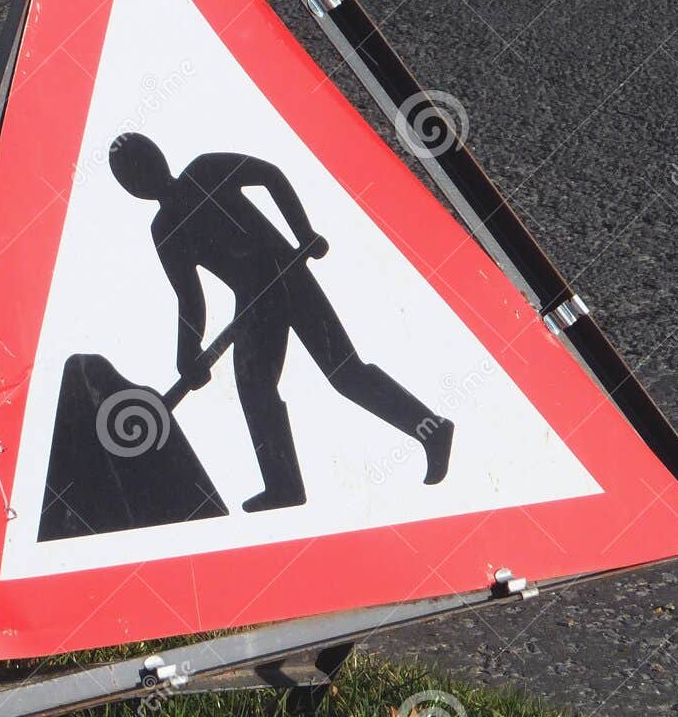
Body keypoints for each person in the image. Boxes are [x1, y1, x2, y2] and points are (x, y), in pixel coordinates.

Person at [109, 132, 453, 511]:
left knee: (343, 373)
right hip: (254, 304)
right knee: (259, 388)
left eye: (138, 170)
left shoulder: (204, 171)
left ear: (156, 159)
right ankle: (284, 485)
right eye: (130, 178)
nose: (139, 181)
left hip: (287, 276)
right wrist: (187, 352)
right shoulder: (165, 228)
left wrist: (303, 232)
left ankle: (431, 429)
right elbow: (190, 297)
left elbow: (269, 175)